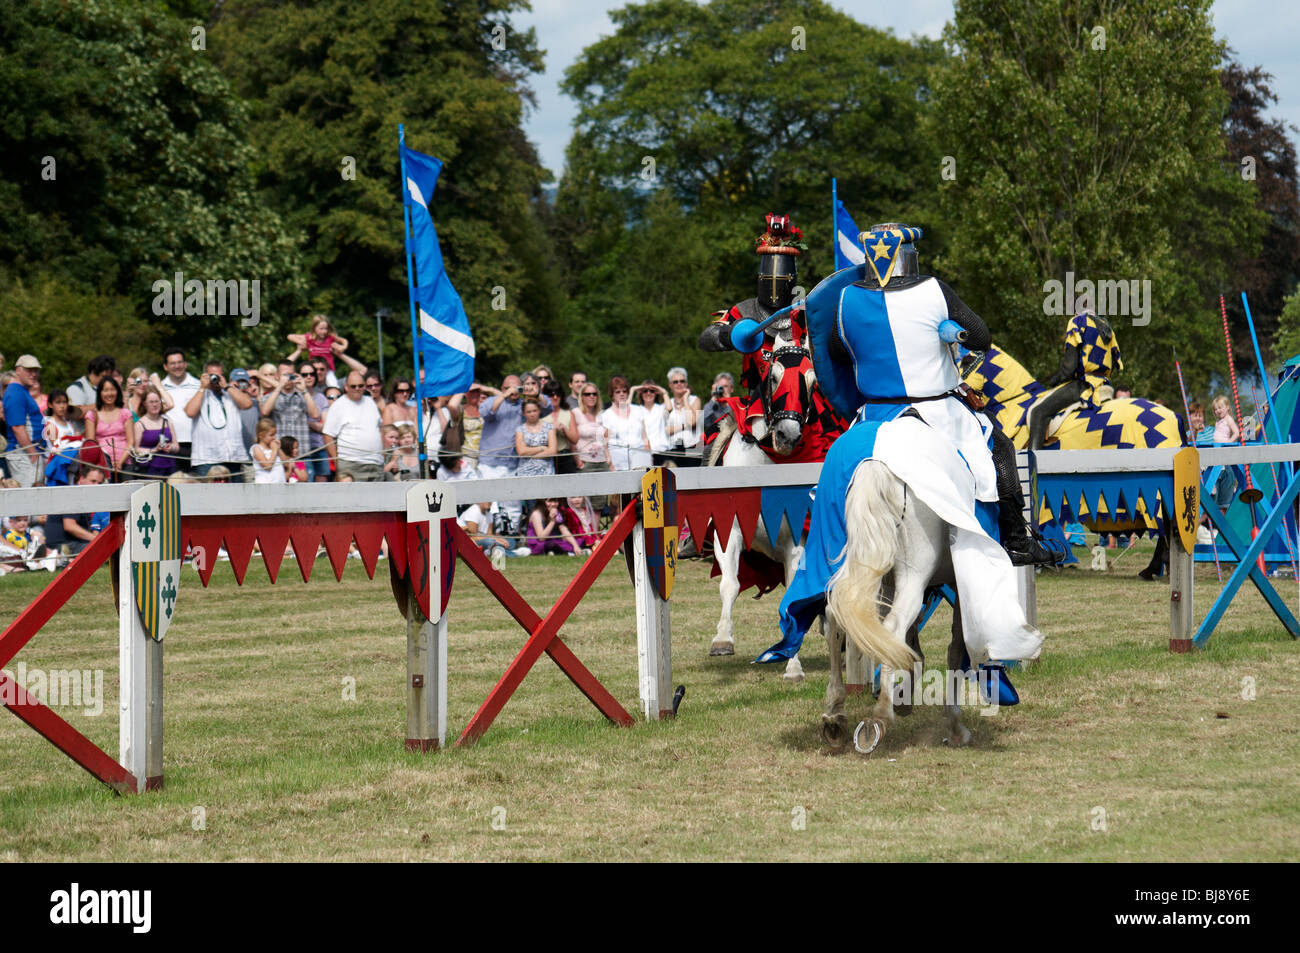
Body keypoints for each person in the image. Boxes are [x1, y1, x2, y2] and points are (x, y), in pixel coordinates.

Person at [762, 221, 1051, 673]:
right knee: (998, 446)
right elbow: (982, 336)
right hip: (937, 413)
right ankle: (1015, 537)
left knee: (835, 476)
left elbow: (834, 356)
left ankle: (818, 565)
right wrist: (947, 331)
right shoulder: (935, 289)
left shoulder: (845, 301)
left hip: (871, 419)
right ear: (908, 253)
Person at [1027, 307, 1123, 451]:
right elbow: (1116, 362)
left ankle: (1032, 466)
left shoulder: (1077, 322)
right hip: (1104, 383)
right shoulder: (1106, 326)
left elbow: (1070, 366)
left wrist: (1060, 377)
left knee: (1038, 412)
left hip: (1083, 385)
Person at [185, 362, 254, 481]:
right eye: (212, 375)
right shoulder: (197, 393)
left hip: (233, 456)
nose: (215, 379)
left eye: (219, 375)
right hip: (207, 458)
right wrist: (202, 387)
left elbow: (248, 404)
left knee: (236, 495)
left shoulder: (231, 393)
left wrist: (226, 386)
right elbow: (190, 412)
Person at [260, 362, 321, 478]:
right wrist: (279, 387)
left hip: (302, 455)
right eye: (284, 375)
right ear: (277, 376)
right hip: (278, 457)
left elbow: (315, 414)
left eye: (290, 375)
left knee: (306, 493)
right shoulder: (270, 396)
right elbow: (264, 411)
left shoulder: (303, 395)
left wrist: (304, 390)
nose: (288, 379)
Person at [323, 371, 384, 481]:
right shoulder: (338, 405)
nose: (357, 388)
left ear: (365, 386)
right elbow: (328, 436)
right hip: (349, 463)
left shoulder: (371, 402)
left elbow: (380, 429)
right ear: (346, 387)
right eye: (353, 386)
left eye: (360, 386)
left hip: (375, 462)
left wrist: (382, 454)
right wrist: (337, 462)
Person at [44, 466, 107, 563]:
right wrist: (97, 540)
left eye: (99, 483)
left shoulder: (80, 496)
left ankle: (64, 560)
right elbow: (70, 526)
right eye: (93, 481)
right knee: (105, 549)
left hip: (70, 543)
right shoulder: (74, 495)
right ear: (81, 479)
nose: (96, 485)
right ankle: (61, 558)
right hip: (62, 545)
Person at [3, 355, 45, 487]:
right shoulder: (15, 392)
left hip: (27, 452)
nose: (34, 374)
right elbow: (17, 427)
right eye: (29, 370)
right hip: (23, 453)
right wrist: (32, 453)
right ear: (18, 370)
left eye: (36, 370)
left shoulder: (20, 391)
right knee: (28, 497)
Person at [84, 376, 135, 480]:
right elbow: (91, 443)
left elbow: (131, 441)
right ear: (100, 393)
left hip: (125, 463)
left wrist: (120, 462)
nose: (109, 394)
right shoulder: (92, 415)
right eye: (106, 390)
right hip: (102, 465)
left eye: (112, 390)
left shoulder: (125, 413)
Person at [160, 348, 200, 470]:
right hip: (170, 445)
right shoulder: (159, 387)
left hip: (196, 444)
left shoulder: (198, 385)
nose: (177, 366)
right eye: (172, 363)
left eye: (180, 362)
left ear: (185, 364)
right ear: (165, 367)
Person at [598, 375, 648, 470]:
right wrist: (610, 464)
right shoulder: (606, 416)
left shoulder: (638, 410)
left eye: (624, 391)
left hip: (640, 459)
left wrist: (649, 458)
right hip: (619, 463)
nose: (622, 394)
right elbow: (605, 444)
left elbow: (645, 437)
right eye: (617, 392)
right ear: (612, 394)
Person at [131, 388, 180, 480]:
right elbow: (136, 449)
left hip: (170, 468)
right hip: (150, 469)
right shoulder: (139, 425)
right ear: (145, 404)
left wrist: (170, 447)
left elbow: (176, 446)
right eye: (151, 402)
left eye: (157, 401)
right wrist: (154, 450)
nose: (154, 405)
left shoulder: (167, 422)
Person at [287, 315, 348, 388]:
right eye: (321, 329)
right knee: (307, 383)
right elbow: (290, 336)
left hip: (327, 369)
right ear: (314, 328)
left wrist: (343, 347)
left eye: (326, 328)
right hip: (312, 369)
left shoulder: (330, 338)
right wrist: (301, 342)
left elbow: (344, 340)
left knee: (333, 384)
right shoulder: (309, 338)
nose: (324, 331)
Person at [42, 389, 84, 486]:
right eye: (58, 402)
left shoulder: (69, 424)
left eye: (64, 402)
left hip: (72, 466)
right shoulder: (50, 424)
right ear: (50, 405)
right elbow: (56, 445)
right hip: (58, 467)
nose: (62, 406)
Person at [663, 366, 702, 464]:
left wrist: (685, 399)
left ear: (686, 383)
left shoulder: (695, 400)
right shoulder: (667, 404)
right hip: (673, 449)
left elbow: (692, 422)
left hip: (693, 448)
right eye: (675, 382)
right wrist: (684, 426)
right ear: (670, 385)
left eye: (682, 381)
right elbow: (666, 430)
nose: (679, 384)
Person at [543, 379, 580, 474]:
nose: (555, 397)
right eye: (551, 395)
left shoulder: (568, 413)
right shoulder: (541, 415)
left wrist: (564, 428)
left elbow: (575, 439)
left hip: (565, 456)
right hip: (547, 458)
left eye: (558, 394)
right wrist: (550, 429)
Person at [514, 396, 557, 478]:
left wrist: (531, 454)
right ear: (523, 413)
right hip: (525, 472)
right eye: (528, 412)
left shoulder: (549, 427)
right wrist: (542, 448)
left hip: (546, 472)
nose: (532, 414)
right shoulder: (520, 429)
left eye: (534, 411)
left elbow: (553, 451)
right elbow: (521, 452)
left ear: (539, 410)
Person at [632, 379, 670, 467]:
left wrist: (664, 392)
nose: (648, 393)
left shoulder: (660, 408)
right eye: (645, 391)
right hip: (644, 452)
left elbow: (669, 408)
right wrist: (632, 390)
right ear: (641, 394)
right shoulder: (637, 409)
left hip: (661, 451)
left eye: (652, 391)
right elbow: (624, 409)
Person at [250, 418, 287, 484]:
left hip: (279, 483)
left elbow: (286, 463)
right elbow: (268, 466)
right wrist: (275, 450)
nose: (274, 438)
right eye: (271, 435)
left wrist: (279, 449)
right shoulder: (256, 448)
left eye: (275, 434)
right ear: (261, 435)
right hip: (265, 484)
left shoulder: (274, 448)